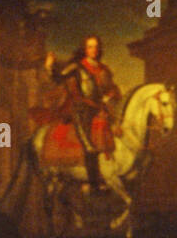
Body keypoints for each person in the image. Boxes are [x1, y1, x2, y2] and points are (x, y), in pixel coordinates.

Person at [43, 36, 121, 191]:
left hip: (100, 109)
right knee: (89, 147)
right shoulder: (77, 67)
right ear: (85, 49)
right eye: (90, 47)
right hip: (82, 111)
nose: (93, 50)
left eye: (96, 46)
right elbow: (59, 78)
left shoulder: (104, 69)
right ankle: (94, 186)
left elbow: (112, 89)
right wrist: (49, 66)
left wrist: (110, 96)